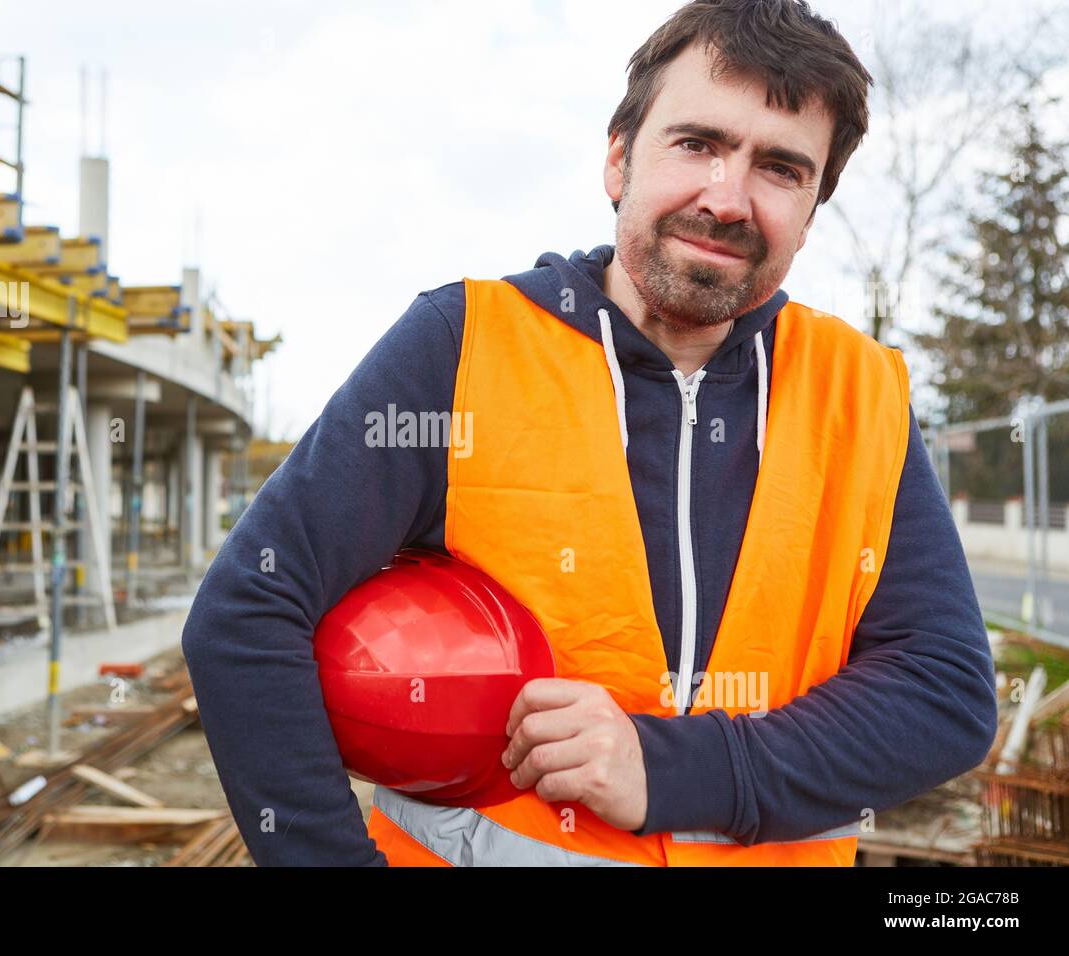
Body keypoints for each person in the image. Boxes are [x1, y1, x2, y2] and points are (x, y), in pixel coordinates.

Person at [181, 0, 998, 866]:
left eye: (781, 168)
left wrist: (673, 768)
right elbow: (247, 612)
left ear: (810, 209)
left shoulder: (861, 393)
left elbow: (944, 694)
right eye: (697, 144)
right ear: (618, 159)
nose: (726, 198)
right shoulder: (463, 346)